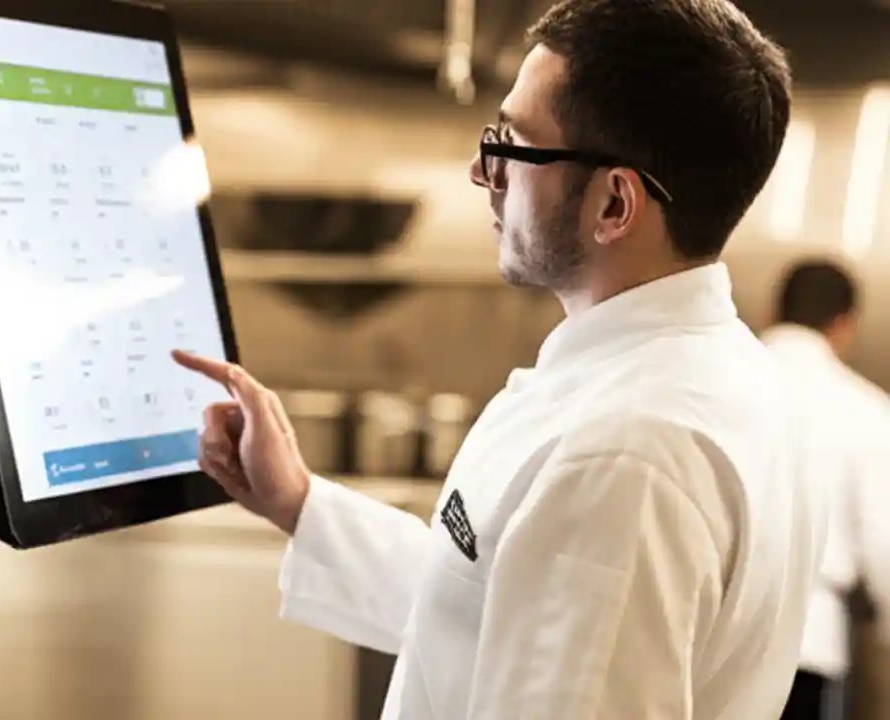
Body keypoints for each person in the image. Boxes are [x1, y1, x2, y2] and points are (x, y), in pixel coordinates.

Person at [174, 0, 819, 717]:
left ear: (614, 205)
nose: (484, 171)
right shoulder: (730, 378)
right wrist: (300, 502)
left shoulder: (626, 453)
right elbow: (488, 613)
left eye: (514, 142)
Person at [763, 260, 890, 720]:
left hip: (702, 630)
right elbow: (883, 547)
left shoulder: (712, 382)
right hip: (807, 642)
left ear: (774, 310)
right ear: (844, 325)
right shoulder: (865, 410)